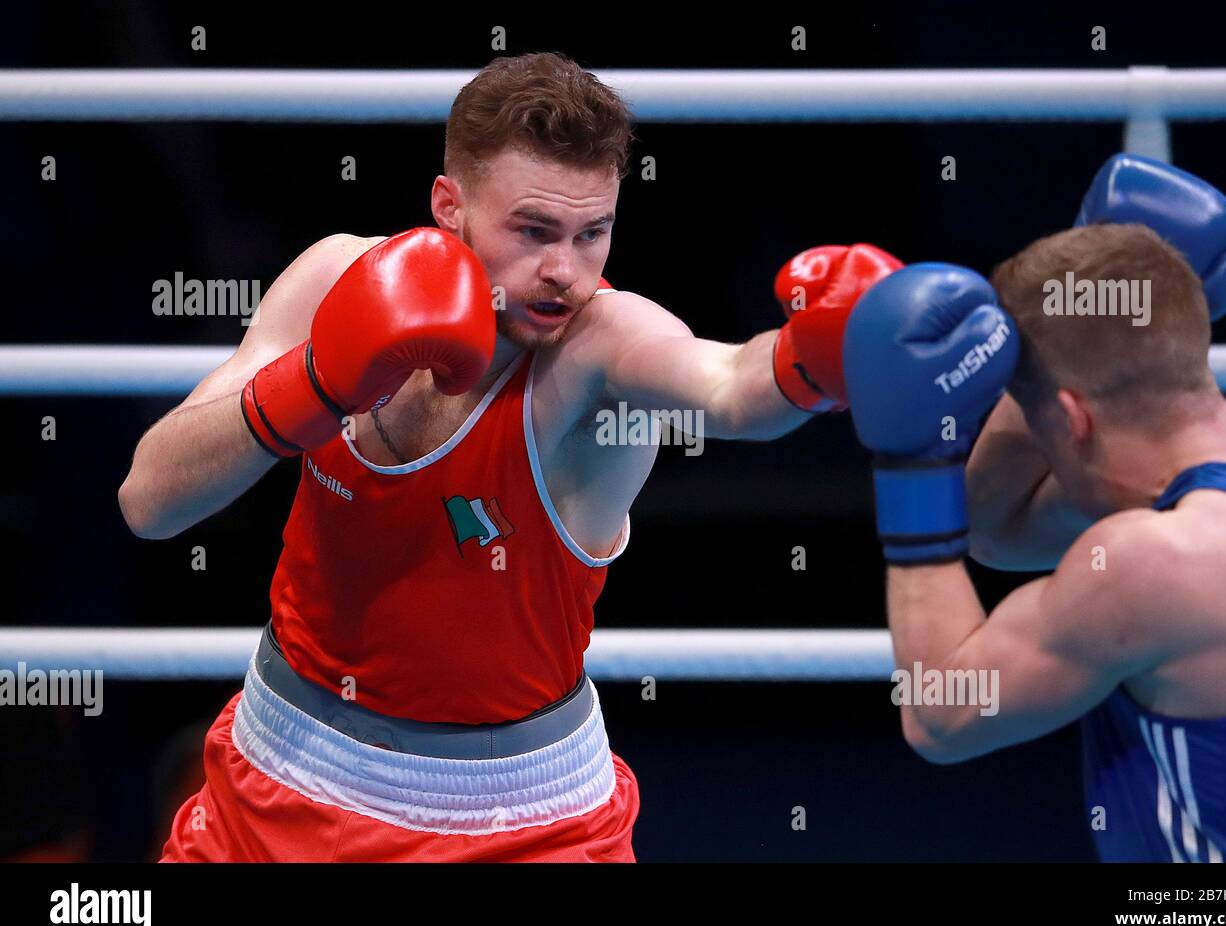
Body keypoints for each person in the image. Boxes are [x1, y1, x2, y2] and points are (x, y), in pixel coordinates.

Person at [117, 51, 901, 862]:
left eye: (592, 233)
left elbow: (731, 385)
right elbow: (149, 499)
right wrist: (314, 382)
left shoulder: (600, 346)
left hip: (516, 825)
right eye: (532, 231)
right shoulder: (335, 277)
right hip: (280, 771)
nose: (564, 270)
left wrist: (817, 354)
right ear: (447, 205)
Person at [844, 156, 1226, 861]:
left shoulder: (1152, 563)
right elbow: (999, 527)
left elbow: (942, 713)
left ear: (1070, 418)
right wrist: (1072, 301)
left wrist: (911, 462)